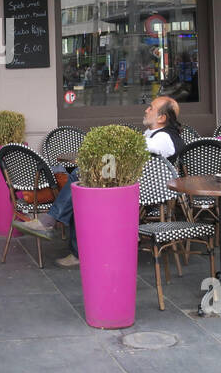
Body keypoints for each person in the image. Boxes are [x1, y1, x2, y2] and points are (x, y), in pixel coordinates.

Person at [14, 97, 185, 268]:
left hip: (145, 192)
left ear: (162, 118)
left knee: (79, 181)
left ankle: (53, 226)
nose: (146, 110)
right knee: (79, 186)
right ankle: (62, 236)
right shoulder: (153, 134)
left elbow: (132, 150)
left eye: (151, 108)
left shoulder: (164, 138)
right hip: (130, 184)